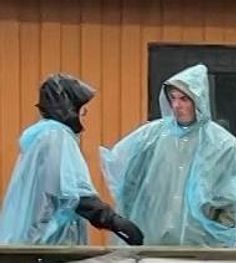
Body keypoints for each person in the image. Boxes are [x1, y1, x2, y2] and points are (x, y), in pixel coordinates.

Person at [100, 63, 236, 247]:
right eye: (173, 98)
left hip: (200, 242)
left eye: (184, 99)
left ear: (198, 100)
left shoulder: (221, 144)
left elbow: (235, 190)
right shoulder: (151, 137)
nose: (176, 105)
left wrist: (215, 219)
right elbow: (128, 178)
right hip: (151, 238)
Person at [0, 74, 142, 246]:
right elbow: (73, 193)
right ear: (69, 108)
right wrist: (114, 221)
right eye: (81, 107)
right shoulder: (56, 137)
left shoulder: (41, 137)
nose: (84, 113)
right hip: (45, 244)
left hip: (28, 239)